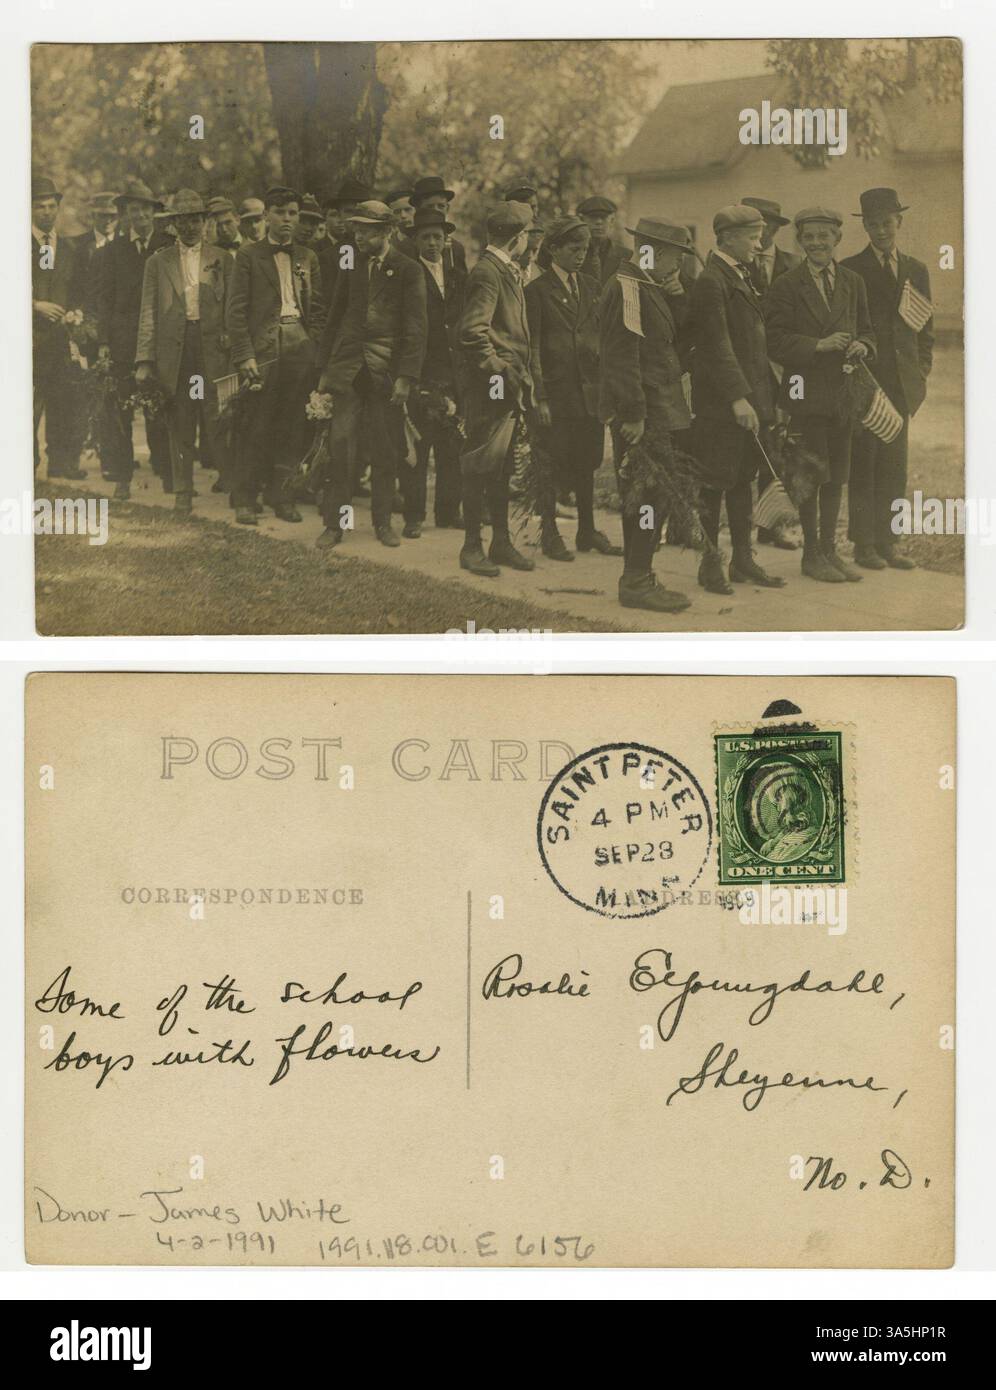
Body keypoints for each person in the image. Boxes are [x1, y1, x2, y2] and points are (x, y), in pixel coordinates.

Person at [764, 207, 876, 584]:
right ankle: (811, 554)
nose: (815, 243)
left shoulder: (853, 282)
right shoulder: (786, 284)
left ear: (837, 239)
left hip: (843, 396)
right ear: (799, 240)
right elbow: (775, 341)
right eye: (808, 236)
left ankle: (830, 550)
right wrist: (820, 344)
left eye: (823, 236)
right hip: (805, 393)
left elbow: (868, 330)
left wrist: (862, 345)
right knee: (811, 473)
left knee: (837, 475)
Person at [314, 201, 427, 548]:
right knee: (341, 448)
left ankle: (382, 524)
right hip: (348, 369)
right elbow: (336, 317)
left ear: (386, 231)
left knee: (384, 450)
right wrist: (324, 371)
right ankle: (337, 525)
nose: (358, 236)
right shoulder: (350, 262)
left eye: (366, 230)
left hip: (386, 374)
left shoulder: (408, 269)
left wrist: (406, 377)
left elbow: (416, 329)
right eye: (356, 229)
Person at [599, 216, 697, 614]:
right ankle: (636, 580)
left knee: (651, 497)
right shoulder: (628, 288)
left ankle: (641, 573)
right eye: (675, 256)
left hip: (660, 407)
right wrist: (635, 414)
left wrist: (675, 297)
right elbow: (622, 357)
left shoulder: (645, 285)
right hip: (645, 412)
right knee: (643, 498)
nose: (678, 265)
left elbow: (672, 339)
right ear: (652, 251)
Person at [689, 204, 786, 595]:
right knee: (715, 482)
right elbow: (716, 347)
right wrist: (738, 400)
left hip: (748, 401)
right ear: (727, 238)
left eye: (760, 235)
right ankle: (710, 564)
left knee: (742, 479)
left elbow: (754, 349)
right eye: (752, 236)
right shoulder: (712, 281)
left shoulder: (737, 275)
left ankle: (743, 560)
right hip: (721, 406)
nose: (759, 243)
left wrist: (768, 398)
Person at [841, 187, 933, 571]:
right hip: (867, 382)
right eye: (873, 225)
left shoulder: (916, 269)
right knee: (865, 462)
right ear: (865, 227)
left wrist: (921, 371)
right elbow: (848, 325)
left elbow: (923, 328)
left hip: (902, 383)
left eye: (887, 223)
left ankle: (889, 541)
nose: (881, 231)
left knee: (895, 463)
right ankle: (864, 543)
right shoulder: (852, 269)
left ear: (900, 221)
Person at [226, 185, 325, 525]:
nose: (286, 220)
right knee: (255, 423)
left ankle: (281, 495)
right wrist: (245, 356)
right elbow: (236, 311)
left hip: (299, 346)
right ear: (266, 215)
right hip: (263, 350)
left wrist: (314, 348)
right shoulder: (248, 256)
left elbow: (318, 310)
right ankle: (245, 496)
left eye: (293, 213)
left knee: (292, 424)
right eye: (280, 213)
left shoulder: (307, 257)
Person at [525, 215, 619, 561]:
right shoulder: (536, 291)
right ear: (552, 250)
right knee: (550, 463)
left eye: (585, 249)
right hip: (557, 393)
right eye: (573, 248)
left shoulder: (593, 286)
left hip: (589, 395)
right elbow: (532, 348)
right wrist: (541, 396)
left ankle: (586, 530)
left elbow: (603, 340)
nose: (580, 255)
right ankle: (549, 532)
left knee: (586, 462)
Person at [135, 189, 233, 517]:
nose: (190, 227)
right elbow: (148, 312)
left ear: (205, 222)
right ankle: (183, 491)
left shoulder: (222, 258)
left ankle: (235, 487)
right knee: (180, 422)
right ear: (173, 224)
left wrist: (232, 345)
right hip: (176, 351)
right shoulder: (157, 263)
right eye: (183, 221)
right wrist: (145, 361)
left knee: (219, 418)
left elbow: (234, 308)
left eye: (196, 220)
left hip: (213, 349)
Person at [456, 201, 536, 577]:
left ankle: (499, 542)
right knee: (479, 464)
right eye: (527, 235)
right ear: (519, 238)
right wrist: (502, 371)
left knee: (501, 467)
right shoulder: (488, 273)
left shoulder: (505, 270)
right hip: (490, 385)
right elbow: (472, 333)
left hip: (505, 385)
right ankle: (471, 546)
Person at [95, 179, 171, 496]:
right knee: (120, 409)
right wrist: (103, 342)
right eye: (133, 210)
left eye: (145, 210)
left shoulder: (168, 246)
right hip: (123, 339)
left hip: (161, 338)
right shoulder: (113, 252)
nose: (139, 216)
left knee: (162, 408)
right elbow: (103, 301)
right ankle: (123, 477)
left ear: (154, 212)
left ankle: (169, 474)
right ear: (125, 215)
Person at [740, 195, 801, 552]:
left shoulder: (794, 266)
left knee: (779, 448)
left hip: (785, 370)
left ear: (777, 229)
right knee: (741, 446)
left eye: (767, 226)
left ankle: (770, 524)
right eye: (753, 227)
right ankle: (734, 525)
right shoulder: (733, 264)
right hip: (746, 369)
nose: (760, 234)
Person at [405, 204, 466, 531]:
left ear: (446, 240)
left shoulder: (457, 274)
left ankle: (448, 510)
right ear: (415, 241)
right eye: (425, 237)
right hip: (423, 367)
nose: (431, 243)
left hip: (453, 367)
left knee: (451, 442)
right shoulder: (408, 273)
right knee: (419, 442)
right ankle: (414, 515)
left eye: (437, 237)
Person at [31, 174, 85, 480]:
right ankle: (25, 465)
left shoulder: (68, 249)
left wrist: (74, 312)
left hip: (60, 341)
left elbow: (77, 291)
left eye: (52, 206)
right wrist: (35, 306)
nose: (47, 212)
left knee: (63, 400)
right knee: (29, 405)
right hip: (28, 341)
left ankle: (61, 463)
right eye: (40, 206)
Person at [400, 177, 468, 276]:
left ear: (447, 208)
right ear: (417, 209)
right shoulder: (403, 248)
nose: (436, 211)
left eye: (441, 206)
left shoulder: (456, 248)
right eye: (429, 206)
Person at [576, 195, 630, 285]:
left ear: (612, 221)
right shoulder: (574, 254)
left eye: (604, 218)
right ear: (582, 221)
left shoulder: (626, 256)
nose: (599, 222)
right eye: (593, 217)